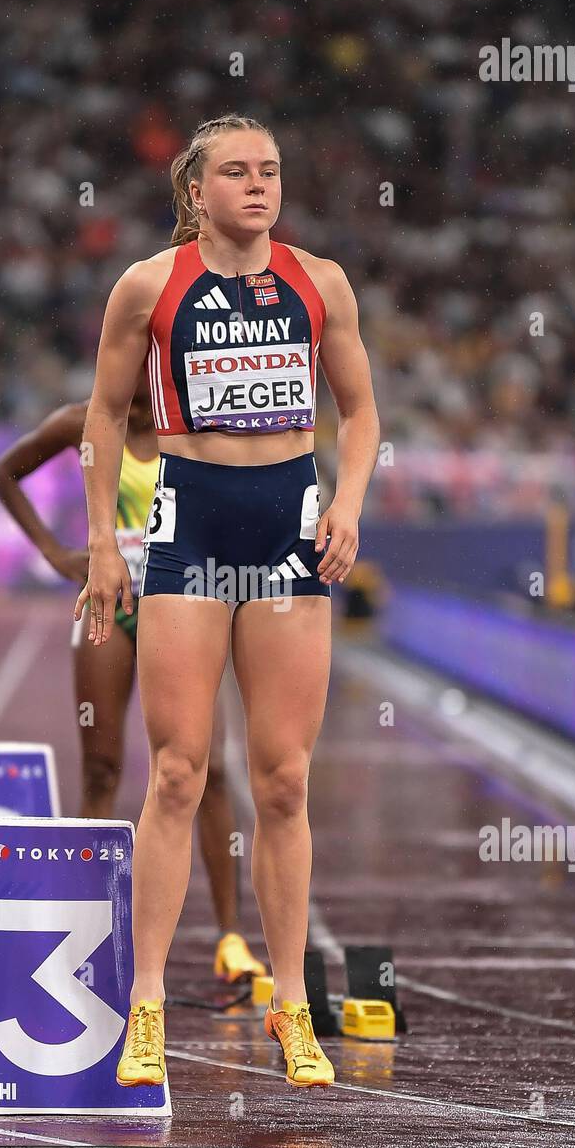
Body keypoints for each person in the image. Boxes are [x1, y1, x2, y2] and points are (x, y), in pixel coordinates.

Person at [75, 114, 380, 1089]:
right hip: (189, 524)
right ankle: (148, 1004)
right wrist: (99, 545)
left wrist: (350, 504)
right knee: (176, 772)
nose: (259, 185)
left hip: (288, 528)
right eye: (238, 172)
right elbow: (98, 413)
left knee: (284, 781)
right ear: (196, 191)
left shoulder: (320, 280)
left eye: (271, 169)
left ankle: (293, 1004)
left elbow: (362, 409)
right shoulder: (147, 286)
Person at [0, 382, 268, 986]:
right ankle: (89, 933)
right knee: (101, 770)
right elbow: (5, 474)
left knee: (210, 770)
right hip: (109, 607)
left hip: (188, 603)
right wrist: (53, 553)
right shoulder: (82, 423)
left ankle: (231, 938)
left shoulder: (196, 422)